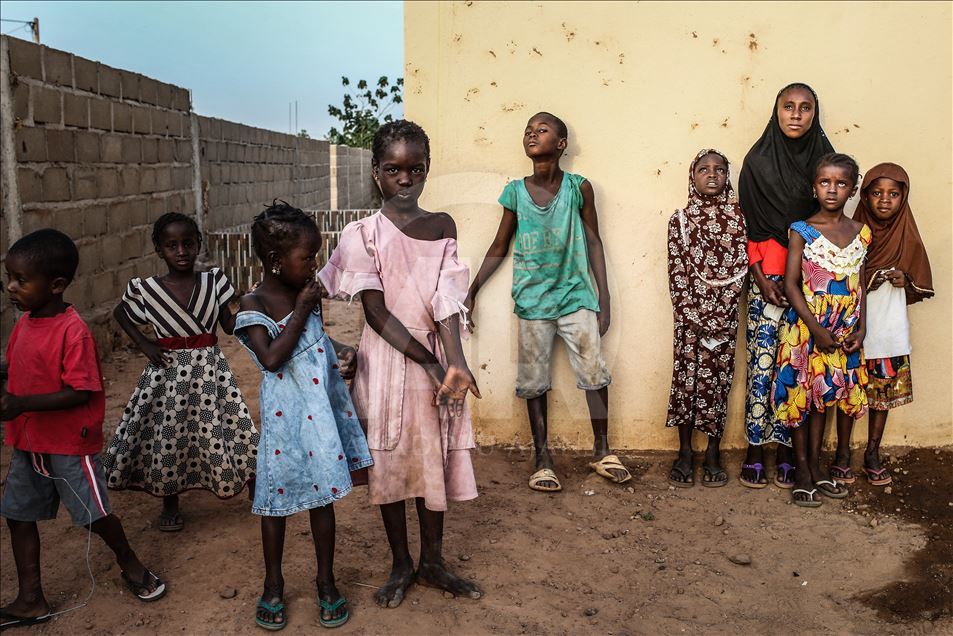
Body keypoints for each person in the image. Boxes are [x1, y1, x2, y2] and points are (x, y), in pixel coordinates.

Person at [319, 120, 483, 608]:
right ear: (376, 173)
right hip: (386, 362)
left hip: (435, 360)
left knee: (431, 458)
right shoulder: (362, 233)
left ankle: (432, 560)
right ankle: (401, 563)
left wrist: (454, 361)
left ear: (427, 171)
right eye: (393, 170)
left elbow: (448, 299)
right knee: (390, 462)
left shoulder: (443, 226)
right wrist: (434, 364)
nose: (405, 179)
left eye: (416, 169)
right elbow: (374, 311)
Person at [1, 229, 166, 629]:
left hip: (68, 446)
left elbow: (80, 391)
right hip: (29, 442)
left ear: (56, 285)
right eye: (10, 277)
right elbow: (19, 367)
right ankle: (30, 599)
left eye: (21, 280)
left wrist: (20, 403)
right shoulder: (24, 323)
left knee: (94, 515)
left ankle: (130, 562)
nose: (10, 286)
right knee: (17, 515)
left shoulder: (72, 331)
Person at [464, 111, 630, 493]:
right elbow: (500, 245)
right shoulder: (516, 192)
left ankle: (602, 450)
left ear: (560, 144)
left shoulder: (578, 188)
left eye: (541, 130)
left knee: (593, 373)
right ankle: (542, 459)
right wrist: (472, 291)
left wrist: (603, 297)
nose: (531, 134)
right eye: (528, 130)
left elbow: (593, 241)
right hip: (532, 301)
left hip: (576, 297)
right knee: (534, 380)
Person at [234, 201, 371, 630]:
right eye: (307, 257)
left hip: (320, 416)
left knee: (323, 498)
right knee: (275, 505)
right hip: (283, 423)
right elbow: (273, 358)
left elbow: (314, 341)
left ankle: (325, 581)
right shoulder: (253, 303)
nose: (314, 265)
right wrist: (302, 307)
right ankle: (273, 584)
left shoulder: (304, 296)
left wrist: (341, 353)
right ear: (276, 262)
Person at [102, 213, 258, 532]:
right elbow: (120, 313)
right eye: (171, 245)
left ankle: (254, 484)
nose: (181, 251)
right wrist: (145, 344)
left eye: (188, 243)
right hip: (167, 374)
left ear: (198, 244)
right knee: (170, 434)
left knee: (229, 424)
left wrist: (252, 306)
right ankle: (169, 499)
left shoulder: (213, 281)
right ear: (159, 250)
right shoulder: (146, 290)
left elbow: (228, 325)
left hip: (210, 372)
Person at [738, 83, 834, 489]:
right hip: (767, 282)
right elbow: (744, 226)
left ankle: (787, 451)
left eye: (805, 108)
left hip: (812, 284)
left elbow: (830, 226)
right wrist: (761, 278)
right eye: (788, 107)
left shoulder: (825, 166)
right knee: (761, 364)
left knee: (794, 368)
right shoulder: (756, 163)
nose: (796, 115)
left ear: (815, 114)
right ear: (776, 112)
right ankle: (755, 450)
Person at [771, 153, 869, 507]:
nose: (832, 190)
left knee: (823, 398)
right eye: (825, 183)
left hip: (842, 332)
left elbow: (859, 284)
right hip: (807, 329)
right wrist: (815, 329)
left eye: (841, 184)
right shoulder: (802, 230)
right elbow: (792, 284)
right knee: (800, 398)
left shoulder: (861, 233)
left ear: (852, 190)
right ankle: (801, 470)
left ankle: (816, 467)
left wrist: (862, 325)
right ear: (814, 188)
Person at [844, 163, 933, 486]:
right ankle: (842, 454)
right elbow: (840, 277)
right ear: (864, 196)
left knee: (881, 398)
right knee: (848, 395)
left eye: (893, 194)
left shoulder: (907, 234)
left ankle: (872, 452)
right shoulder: (851, 232)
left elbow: (920, 280)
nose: (885, 200)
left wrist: (904, 279)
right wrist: (871, 277)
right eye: (877, 193)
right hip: (853, 331)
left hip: (889, 332)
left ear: (903, 197)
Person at [666, 150, 748, 487]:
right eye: (703, 169)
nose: (711, 175)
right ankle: (685, 451)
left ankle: (713, 452)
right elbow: (677, 273)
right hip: (690, 319)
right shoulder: (680, 220)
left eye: (719, 169)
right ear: (692, 175)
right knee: (686, 381)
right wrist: (694, 316)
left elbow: (743, 266)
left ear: (728, 175)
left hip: (725, 316)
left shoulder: (740, 218)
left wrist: (721, 310)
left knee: (717, 382)